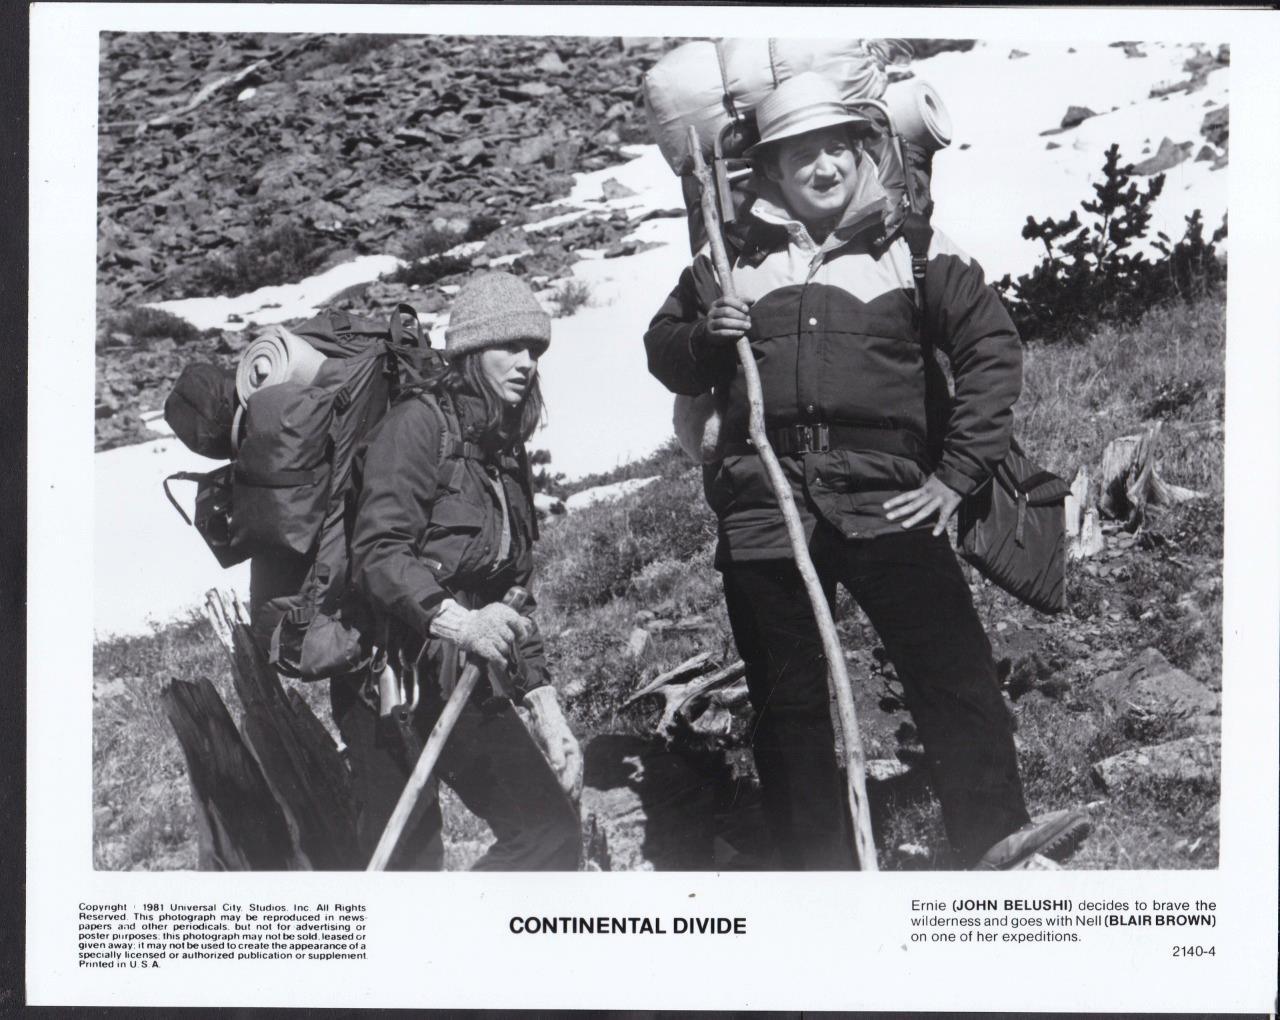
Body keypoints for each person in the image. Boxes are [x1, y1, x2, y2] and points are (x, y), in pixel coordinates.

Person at [644, 72, 1089, 870]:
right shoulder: (728, 259)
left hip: (889, 498)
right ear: (771, 171)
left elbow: (992, 349)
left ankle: (994, 842)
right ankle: (820, 871)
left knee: (949, 670)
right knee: (787, 703)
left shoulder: (915, 249)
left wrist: (956, 476)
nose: (822, 167)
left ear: (861, 151)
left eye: (836, 147)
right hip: (764, 508)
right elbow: (664, 352)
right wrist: (708, 335)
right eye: (800, 154)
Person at [342, 270, 582, 871]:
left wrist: (546, 705)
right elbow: (379, 553)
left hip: (464, 674)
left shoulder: (502, 449)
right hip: (392, 677)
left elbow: (512, 594)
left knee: (548, 829)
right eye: (510, 347)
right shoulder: (417, 426)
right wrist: (459, 624)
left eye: (535, 349)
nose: (527, 362)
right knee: (409, 864)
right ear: (472, 352)